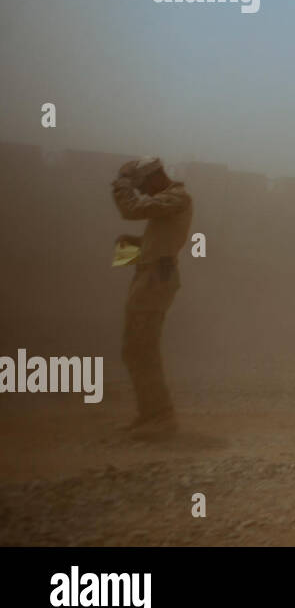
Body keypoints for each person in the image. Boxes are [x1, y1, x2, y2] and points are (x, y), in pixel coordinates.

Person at [110, 157, 193, 438]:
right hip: (150, 276)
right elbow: (158, 239)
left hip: (156, 279)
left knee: (141, 346)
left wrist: (122, 184)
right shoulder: (170, 201)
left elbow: (131, 209)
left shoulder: (177, 198)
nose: (143, 191)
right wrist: (134, 247)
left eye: (143, 185)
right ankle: (151, 414)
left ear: (156, 176)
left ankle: (160, 417)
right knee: (134, 347)